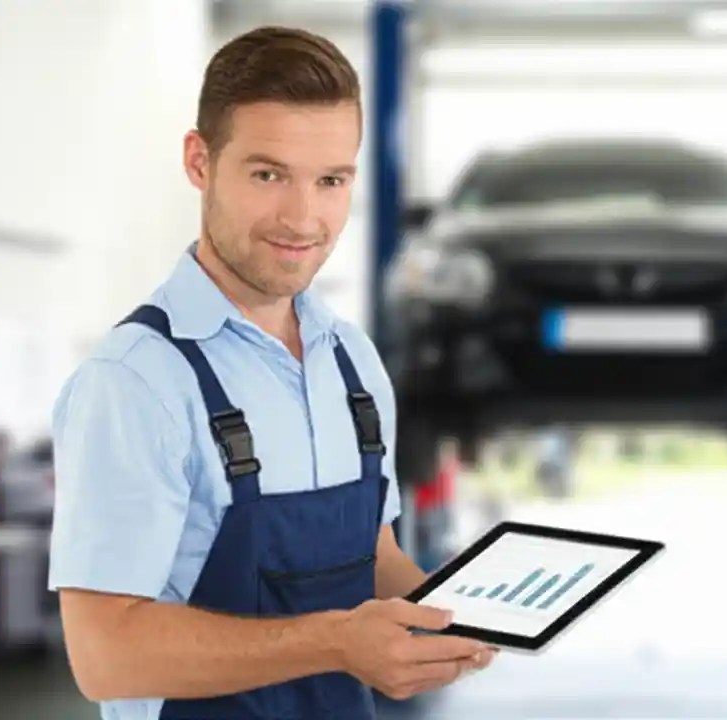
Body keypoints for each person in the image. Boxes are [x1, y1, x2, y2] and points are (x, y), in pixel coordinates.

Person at [47, 27, 494, 720]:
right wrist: (336, 643)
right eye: (268, 175)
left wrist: (457, 613)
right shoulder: (135, 382)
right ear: (199, 162)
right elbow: (106, 655)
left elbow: (372, 555)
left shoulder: (353, 363)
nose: (302, 217)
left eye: (330, 181)